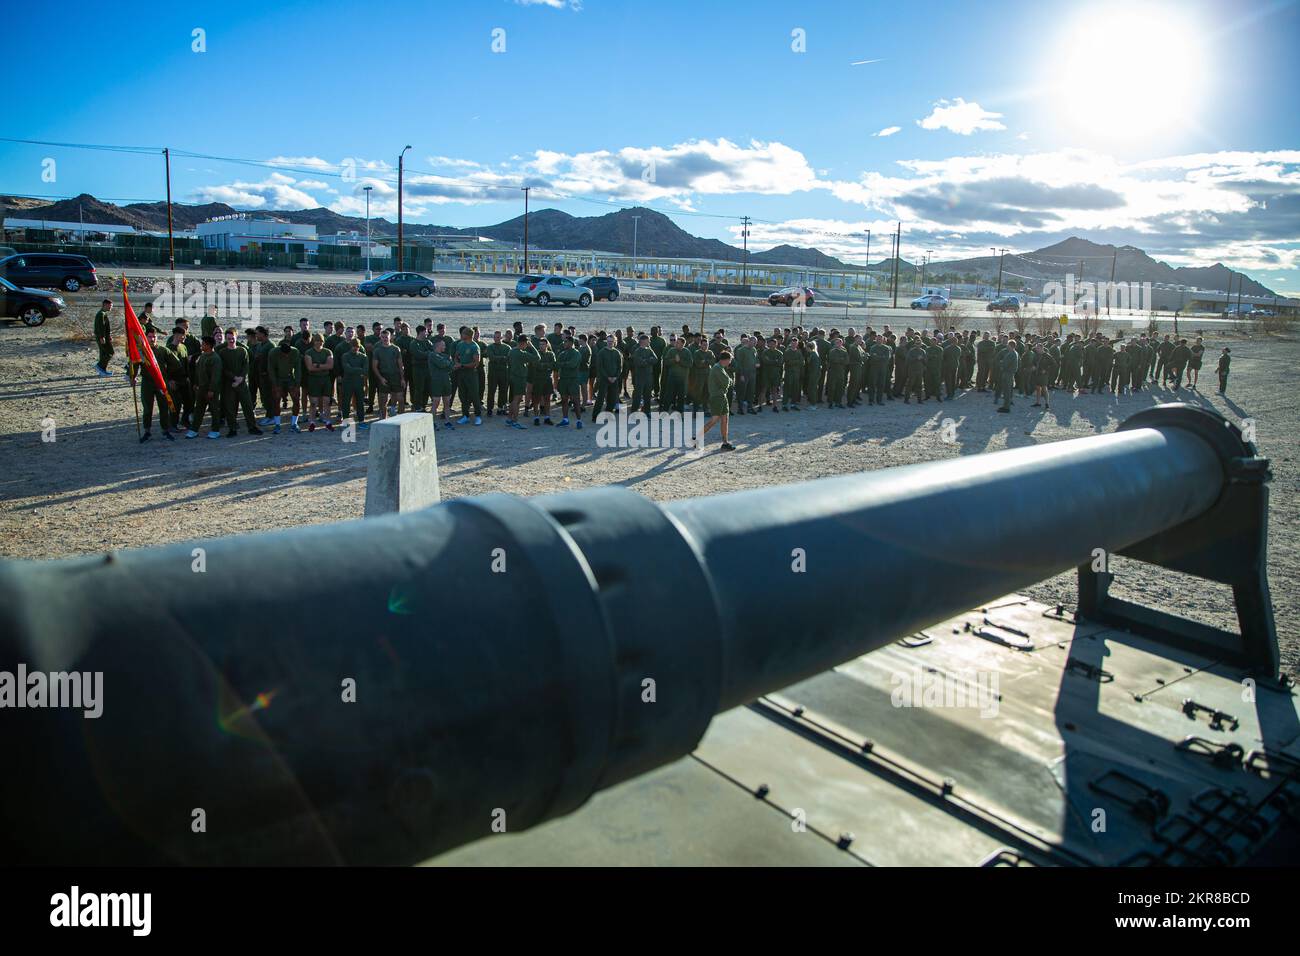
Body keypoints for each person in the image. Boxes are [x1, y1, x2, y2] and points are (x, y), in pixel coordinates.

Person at [218, 328, 263, 437]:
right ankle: (232, 429)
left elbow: (246, 365)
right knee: (230, 408)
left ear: (236, 337)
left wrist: (241, 378)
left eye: (232, 338)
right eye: (228, 339)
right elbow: (223, 369)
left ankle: (252, 427)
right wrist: (234, 378)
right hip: (229, 384)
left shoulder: (242, 351)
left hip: (242, 383)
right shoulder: (222, 352)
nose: (231, 340)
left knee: (248, 406)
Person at [138, 328, 178, 442]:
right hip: (147, 383)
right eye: (150, 337)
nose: (152, 339)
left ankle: (165, 430)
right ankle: (147, 431)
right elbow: (134, 363)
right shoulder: (142, 352)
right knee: (147, 407)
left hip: (161, 382)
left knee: (164, 406)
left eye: (154, 336)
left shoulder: (163, 350)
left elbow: (175, 364)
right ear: (146, 337)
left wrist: (170, 378)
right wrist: (132, 376)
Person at [698, 350, 736, 452]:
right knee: (714, 420)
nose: (730, 362)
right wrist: (730, 381)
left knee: (725, 419)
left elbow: (727, 381)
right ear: (726, 360)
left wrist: (729, 381)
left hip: (721, 396)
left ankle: (725, 442)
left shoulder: (720, 368)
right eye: (730, 360)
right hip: (717, 397)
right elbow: (727, 382)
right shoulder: (717, 369)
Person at [187, 336, 223, 439]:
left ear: (208, 345)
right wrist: (196, 383)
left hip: (210, 390)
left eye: (203, 344)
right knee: (198, 409)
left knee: (214, 410)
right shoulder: (203, 356)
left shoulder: (215, 359)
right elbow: (199, 371)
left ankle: (215, 430)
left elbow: (215, 376)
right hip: (201, 389)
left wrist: (211, 390)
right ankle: (194, 429)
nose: (201, 346)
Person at [267, 337, 302, 433]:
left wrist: (297, 384)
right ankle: (277, 424)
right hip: (278, 378)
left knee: (296, 399)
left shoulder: (295, 352)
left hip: (290, 377)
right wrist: (274, 384)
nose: (287, 356)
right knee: (276, 399)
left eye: (288, 354)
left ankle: (294, 423)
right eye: (284, 355)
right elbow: (271, 369)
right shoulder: (273, 353)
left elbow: (298, 369)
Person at [371, 328, 406, 419]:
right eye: (383, 337)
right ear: (380, 338)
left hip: (396, 376)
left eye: (386, 337)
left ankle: (401, 419)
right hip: (384, 376)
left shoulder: (395, 349)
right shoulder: (377, 350)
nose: (385, 339)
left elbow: (400, 365)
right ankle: (384, 418)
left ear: (390, 337)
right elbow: (374, 366)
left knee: (401, 399)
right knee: (383, 400)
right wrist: (381, 378)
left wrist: (402, 378)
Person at [303, 332, 335, 431]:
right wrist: (323, 366)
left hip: (325, 379)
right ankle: (312, 422)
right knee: (313, 402)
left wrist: (317, 365)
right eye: (317, 341)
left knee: (327, 401)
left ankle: (328, 421)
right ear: (314, 342)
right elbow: (309, 368)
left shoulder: (328, 352)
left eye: (321, 341)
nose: (319, 343)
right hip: (313, 379)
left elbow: (330, 366)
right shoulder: (309, 352)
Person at [555, 336, 584, 429]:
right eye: (564, 342)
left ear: (571, 343)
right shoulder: (562, 353)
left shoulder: (576, 353)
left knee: (575, 400)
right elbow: (557, 363)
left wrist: (563, 364)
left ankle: (579, 420)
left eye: (566, 342)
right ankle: (565, 420)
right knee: (564, 400)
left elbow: (572, 364)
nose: (564, 343)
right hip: (563, 379)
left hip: (573, 379)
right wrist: (564, 364)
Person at [93, 299, 115, 376]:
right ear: (105, 305)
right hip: (102, 337)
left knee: (104, 353)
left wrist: (109, 336)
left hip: (105, 337)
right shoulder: (101, 314)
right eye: (110, 306)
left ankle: (102, 370)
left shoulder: (103, 313)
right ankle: (99, 366)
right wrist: (102, 337)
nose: (111, 307)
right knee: (109, 352)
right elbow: (100, 327)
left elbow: (106, 328)